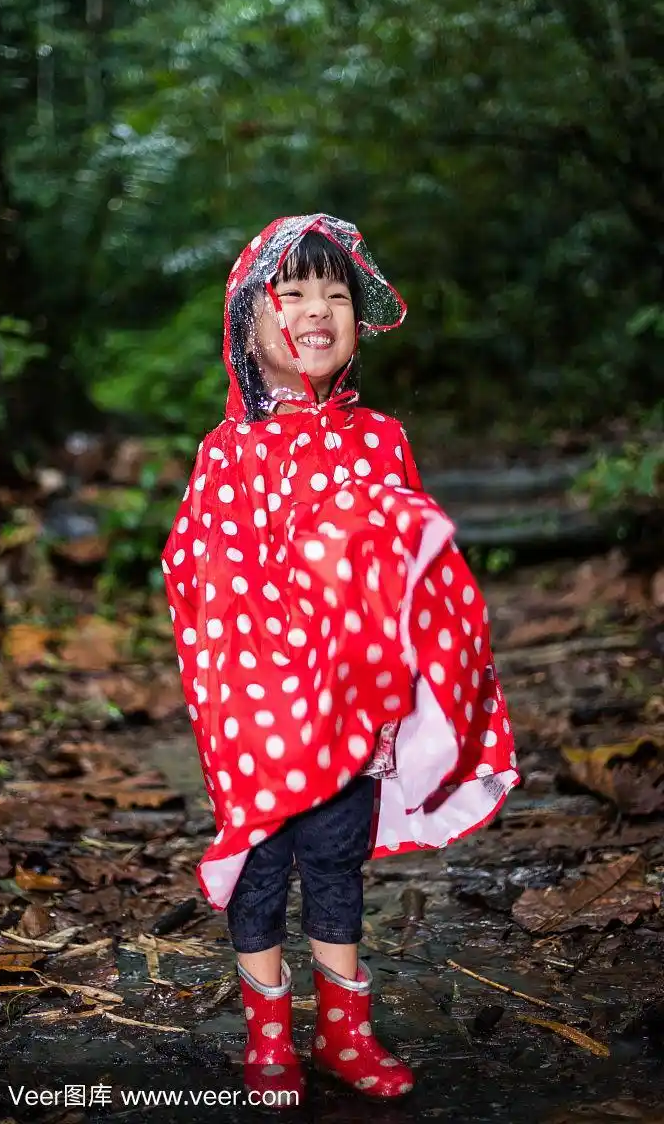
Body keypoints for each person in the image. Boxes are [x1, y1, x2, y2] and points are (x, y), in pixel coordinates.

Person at [162, 214, 519, 1104]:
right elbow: (201, 568)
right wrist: (273, 648)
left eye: (336, 293)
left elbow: (413, 560)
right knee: (260, 864)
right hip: (258, 705)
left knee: (334, 856)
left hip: (352, 705)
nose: (318, 310)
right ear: (248, 325)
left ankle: (344, 1033)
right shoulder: (230, 453)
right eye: (291, 294)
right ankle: (268, 1037)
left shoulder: (381, 438)